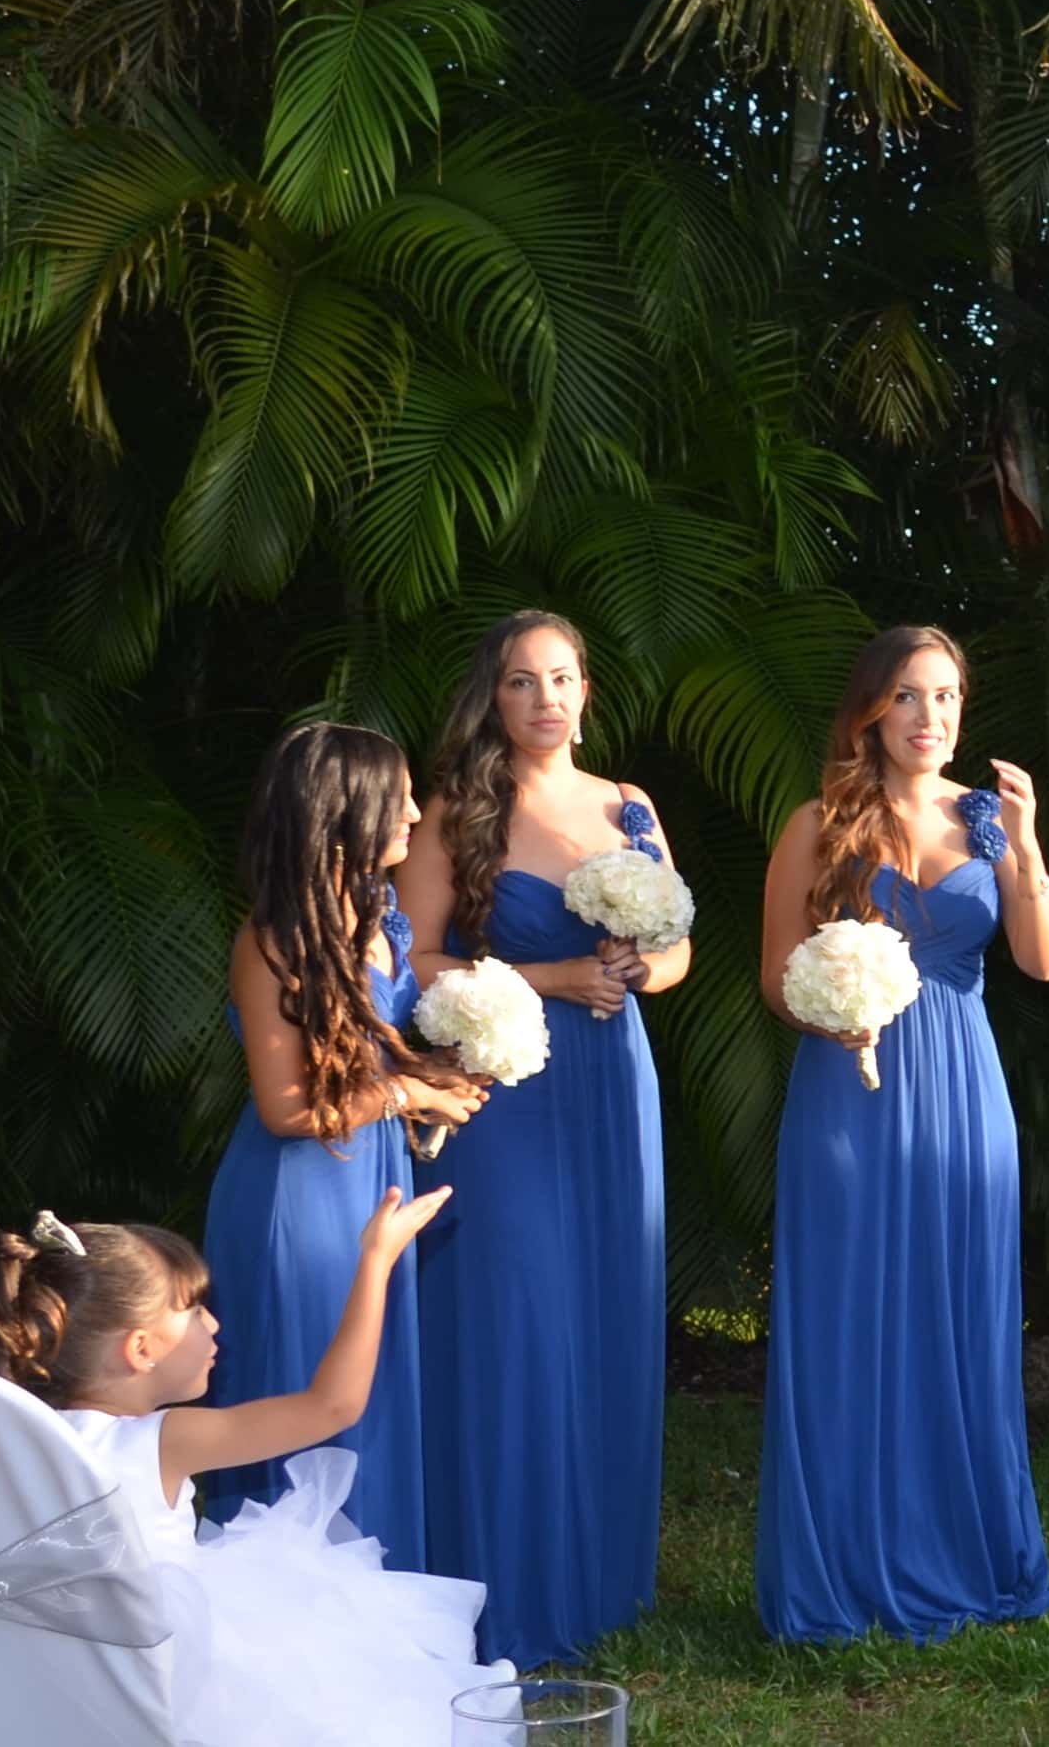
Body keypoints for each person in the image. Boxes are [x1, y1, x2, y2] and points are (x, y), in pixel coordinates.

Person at [752, 624, 1049, 1643]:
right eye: (908, 697)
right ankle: (841, 1564)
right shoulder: (817, 823)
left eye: (947, 698)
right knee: (848, 1317)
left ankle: (966, 1550)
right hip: (848, 1089)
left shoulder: (987, 824)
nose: (930, 718)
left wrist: (1025, 849)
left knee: (960, 1317)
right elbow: (775, 978)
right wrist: (827, 1010)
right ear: (870, 713)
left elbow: (1043, 960)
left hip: (965, 1092)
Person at [0, 1197, 510, 1744]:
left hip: (38, 1679)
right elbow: (331, 1406)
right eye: (193, 1310)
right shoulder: (160, 1441)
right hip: (163, 1678)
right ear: (142, 1349)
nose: (214, 1324)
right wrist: (376, 1261)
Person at [395, 608, 683, 1666]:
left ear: (586, 691)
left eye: (561, 678)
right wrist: (552, 977)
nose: (544, 699)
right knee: (515, 1311)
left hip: (614, 1082)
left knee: (605, 1304)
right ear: (494, 695)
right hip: (507, 1089)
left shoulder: (630, 806)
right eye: (522, 681)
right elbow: (411, 961)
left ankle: (598, 1574)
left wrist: (642, 968)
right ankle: (504, 1574)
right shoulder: (456, 810)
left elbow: (682, 947)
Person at [199, 721, 484, 1563]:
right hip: (299, 1197)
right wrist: (407, 1090)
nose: (410, 812)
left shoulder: (379, 921)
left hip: (370, 1182)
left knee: (370, 1394)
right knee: (305, 1399)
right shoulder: (272, 942)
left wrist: (440, 1070)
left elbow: (365, 1063)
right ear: (342, 812)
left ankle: (375, 1613)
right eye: (392, 797)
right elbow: (289, 1107)